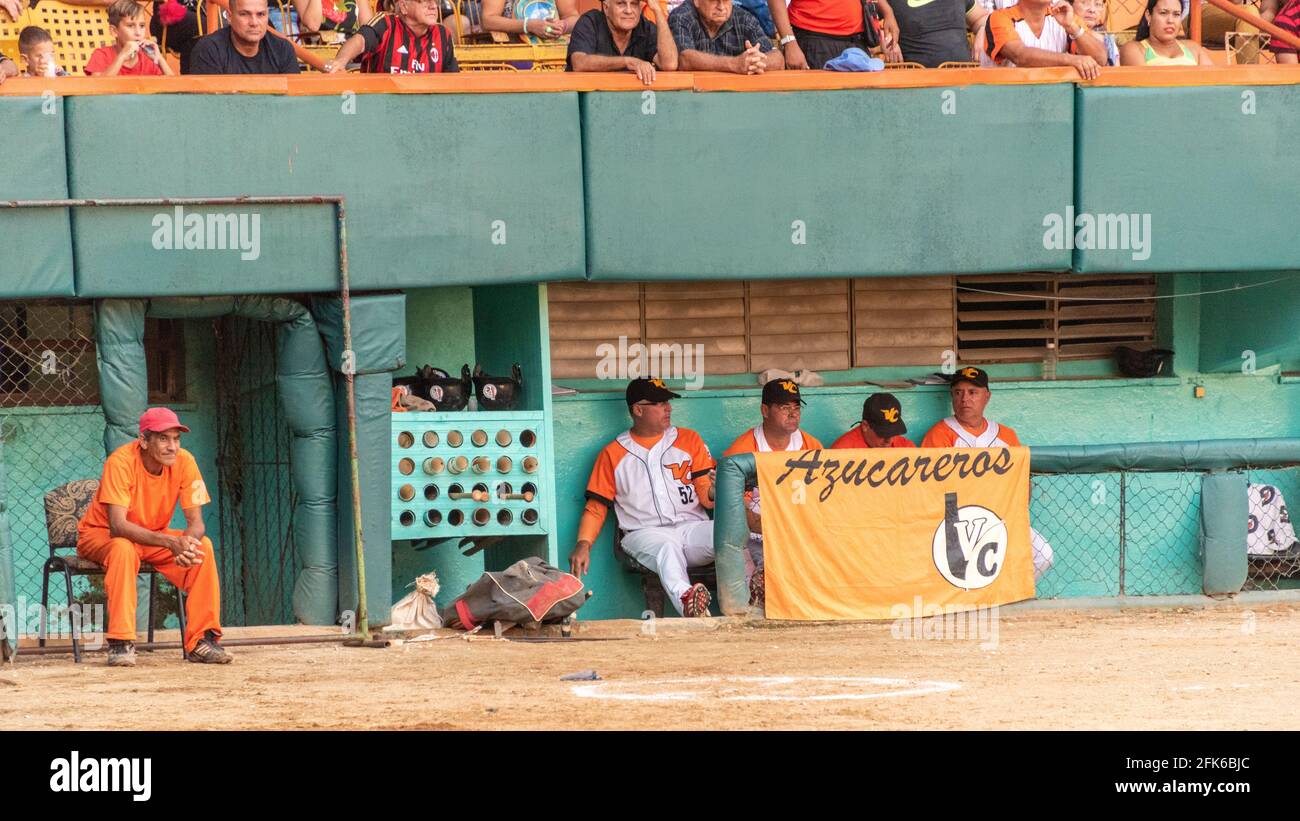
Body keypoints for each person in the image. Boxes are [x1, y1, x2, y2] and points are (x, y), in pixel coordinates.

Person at [76, 408, 230, 666]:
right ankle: (121, 642)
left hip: (152, 538)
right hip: (101, 536)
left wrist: (186, 545)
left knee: (203, 547)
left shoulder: (185, 461)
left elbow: (196, 523)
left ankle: (202, 641)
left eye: (176, 439)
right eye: (163, 438)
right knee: (123, 548)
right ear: (143, 441)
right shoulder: (120, 461)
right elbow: (118, 526)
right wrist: (172, 543)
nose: (172, 447)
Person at [569, 378, 717, 617]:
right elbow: (596, 507)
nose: (668, 408)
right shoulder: (613, 453)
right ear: (638, 410)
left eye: (667, 402)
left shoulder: (689, 440)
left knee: (727, 532)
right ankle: (689, 604)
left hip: (692, 528)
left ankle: (747, 600)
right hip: (643, 534)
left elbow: (705, 492)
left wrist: (715, 490)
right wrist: (583, 544)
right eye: (659, 403)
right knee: (667, 547)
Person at [920, 367, 1053, 579]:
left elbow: (1023, 482)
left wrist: (1014, 514)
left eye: (973, 392)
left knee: (1042, 555)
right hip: (958, 521)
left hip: (1003, 517)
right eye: (958, 392)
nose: (965, 399)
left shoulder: (1006, 435)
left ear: (987, 396)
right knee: (967, 569)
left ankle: (1009, 595)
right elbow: (928, 490)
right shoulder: (940, 434)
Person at [721, 379, 825, 606]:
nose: (793, 414)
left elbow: (824, 500)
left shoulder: (811, 445)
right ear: (765, 410)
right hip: (758, 534)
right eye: (784, 407)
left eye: (796, 407)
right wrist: (777, 527)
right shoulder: (742, 449)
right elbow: (737, 511)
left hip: (801, 530)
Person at [979, 0, 1107, 79]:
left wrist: (1072, 27)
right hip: (1004, 99)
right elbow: (1020, 56)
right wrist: (1071, 60)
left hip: (1050, 101)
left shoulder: (1064, 16)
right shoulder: (999, 17)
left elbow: (1100, 59)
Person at [325, 0, 459, 72]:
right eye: (424, 1)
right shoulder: (386, 24)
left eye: (436, 1)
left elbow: (453, 83)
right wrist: (341, 61)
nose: (433, 6)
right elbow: (359, 41)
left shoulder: (443, 35)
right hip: (381, 111)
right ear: (404, 6)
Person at [766, 0, 902, 69]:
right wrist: (789, 42)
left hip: (857, 42)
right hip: (815, 43)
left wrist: (887, 11)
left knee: (859, 114)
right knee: (818, 114)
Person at [566, 0, 679, 83]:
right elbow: (579, 63)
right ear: (606, 8)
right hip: (587, 105)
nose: (629, 11)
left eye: (634, 4)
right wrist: (628, 62)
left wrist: (657, 11)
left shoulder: (645, 28)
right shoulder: (590, 22)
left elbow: (670, 64)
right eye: (621, 3)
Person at [669, 0, 784, 72]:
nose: (721, 7)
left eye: (726, 0)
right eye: (714, 0)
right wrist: (734, 64)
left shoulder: (743, 18)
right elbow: (684, 59)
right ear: (697, 1)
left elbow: (778, 58)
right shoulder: (681, 16)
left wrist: (754, 62)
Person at [188, 0, 301, 73]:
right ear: (229, 16)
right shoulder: (209, 50)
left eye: (260, 14)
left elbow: (294, 103)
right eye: (244, 14)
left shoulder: (283, 49)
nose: (254, 22)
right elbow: (209, 105)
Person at [85, 0, 176, 76]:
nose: (138, 32)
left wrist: (159, 59)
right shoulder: (102, 55)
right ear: (114, 31)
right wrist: (122, 57)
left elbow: (175, 87)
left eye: (142, 25)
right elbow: (98, 87)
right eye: (130, 26)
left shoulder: (148, 59)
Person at [1119, 0, 1213, 64]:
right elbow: (1146, 89)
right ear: (1148, 15)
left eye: (1176, 14)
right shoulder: (1134, 49)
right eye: (1163, 13)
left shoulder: (1194, 49)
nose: (1170, 20)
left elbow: (1214, 83)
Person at [831, 392, 915, 449]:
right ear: (865, 426)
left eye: (893, 433)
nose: (889, 441)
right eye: (883, 434)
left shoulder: (906, 448)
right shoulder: (842, 452)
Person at [482, 0, 580, 41]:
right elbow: (488, 20)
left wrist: (562, 25)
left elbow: (573, 16)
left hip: (554, 48)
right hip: (515, 49)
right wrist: (528, 25)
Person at [1071, 0, 1118, 64]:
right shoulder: (1059, 36)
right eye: (1084, 3)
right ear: (1070, 4)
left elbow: (1115, 72)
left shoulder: (1108, 42)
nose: (1092, 10)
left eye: (1098, 4)